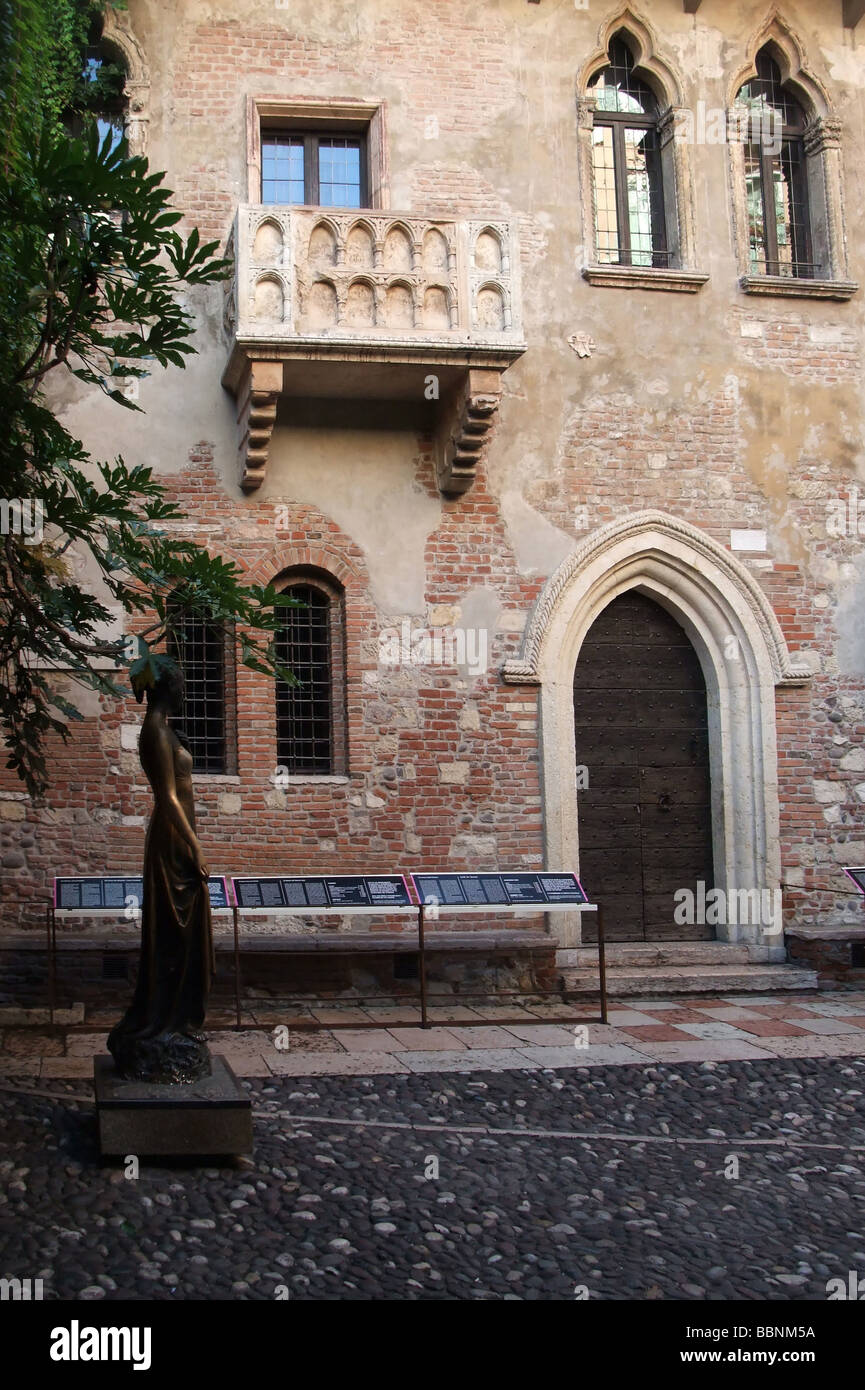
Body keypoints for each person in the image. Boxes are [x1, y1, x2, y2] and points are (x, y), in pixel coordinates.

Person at [108, 664, 214, 1083]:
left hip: (180, 842)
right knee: (175, 932)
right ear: (169, 688)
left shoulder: (165, 728)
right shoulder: (153, 728)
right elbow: (168, 797)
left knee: (186, 933)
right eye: (182, 683)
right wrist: (196, 846)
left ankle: (179, 1019)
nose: (187, 690)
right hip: (172, 844)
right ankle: (161, 1020)